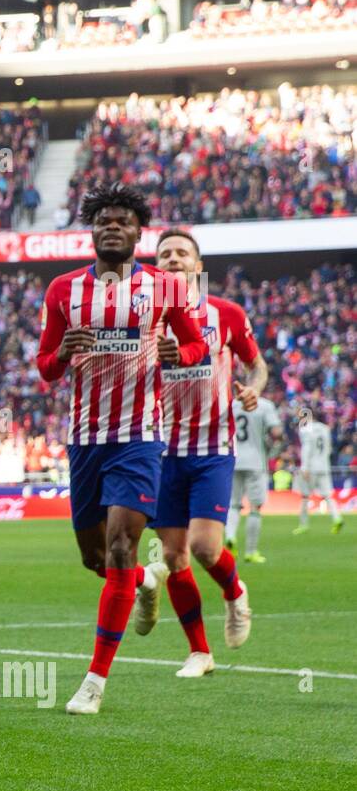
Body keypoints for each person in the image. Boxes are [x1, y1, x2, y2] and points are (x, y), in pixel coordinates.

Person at [35, 182, 207, 715]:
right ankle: (142, 586)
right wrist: (61, 352)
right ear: (92, 230)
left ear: (138, 232)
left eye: (123, 221)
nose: (113, 226)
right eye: (104, 220)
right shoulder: (63, 290)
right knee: (96, 559)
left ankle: (94, 682)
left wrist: (182, 349)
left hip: (139, 436)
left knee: (118, 547)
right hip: (84, 440)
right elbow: (45, 368)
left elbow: (196, 343)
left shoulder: (165, 288)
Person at [142, 228, 265, 676]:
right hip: (163, 450)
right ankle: (199, 651)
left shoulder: (225, 313)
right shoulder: (145, 320)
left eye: (182, 254)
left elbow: (257, 363)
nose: (173, 259)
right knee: (173, 557)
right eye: (165, 254)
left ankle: (235, 594)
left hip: (213, 447)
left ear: (197, 265)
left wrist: (253, 389)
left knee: (205, 548)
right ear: (156, 266)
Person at [225, 395, 284, 563]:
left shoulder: (231, 404)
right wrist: (276, 444)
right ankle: (251, 551)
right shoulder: (264, 405)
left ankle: (230, 536)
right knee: (255, 507)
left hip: (233, 459)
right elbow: (276, 432)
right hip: (256, 461)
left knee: (233, 504)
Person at [294, 415, 344, 535]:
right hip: (324, 466)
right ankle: (337, 518)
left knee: (305, 496)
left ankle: (303, 525)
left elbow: (306, 448)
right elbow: (329, 449)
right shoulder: (325, 429)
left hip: (311, 467)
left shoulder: (306, 430)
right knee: (328, 496)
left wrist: (304, 467)